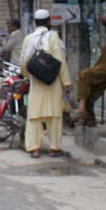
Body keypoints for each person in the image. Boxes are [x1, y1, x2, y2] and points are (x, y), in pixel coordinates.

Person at [19, 8, 73, 158]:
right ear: (48, 22)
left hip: (36, 82)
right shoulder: (53, 37)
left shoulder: (28, 38)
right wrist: (67, 81)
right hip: (53, 82)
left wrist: (28, 76)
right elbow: (60, 60)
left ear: (35, 23)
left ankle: (34, 149)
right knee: (55, 115)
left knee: (34, 115)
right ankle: (54, 148)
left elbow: (23, 63)